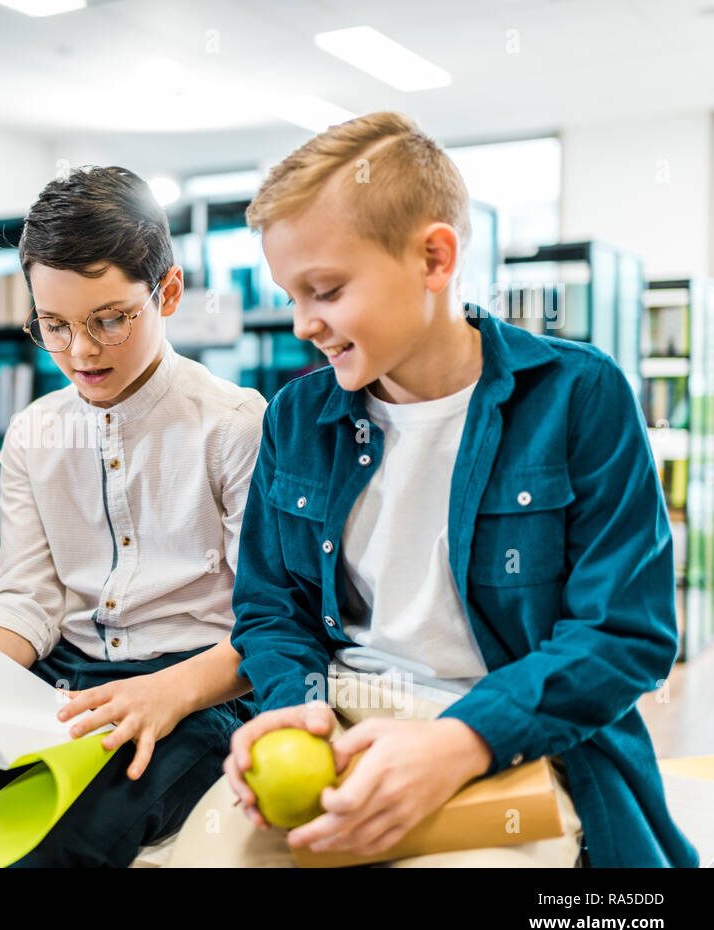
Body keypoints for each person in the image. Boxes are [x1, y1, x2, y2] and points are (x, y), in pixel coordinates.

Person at [168, 112, 699, 868]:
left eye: (325, 290)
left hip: (514, 734)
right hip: (340, 720)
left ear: (434, 257)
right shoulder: (297, 414)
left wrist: (457, 743)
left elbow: (623, 634)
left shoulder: (580, 396)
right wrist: (291, 714)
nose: (301, 323)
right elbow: (270, 608)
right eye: (291, 294)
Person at [0, 167, 265, 867]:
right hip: (64, 679)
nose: (81, 352)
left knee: (62, 848)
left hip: (196, 693)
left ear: (170, 293)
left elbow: (267, 622)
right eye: (54, 325)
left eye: (110, 319)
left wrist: (166, 692)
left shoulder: (236, 427)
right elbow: (28, 598)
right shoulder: (33, 433)